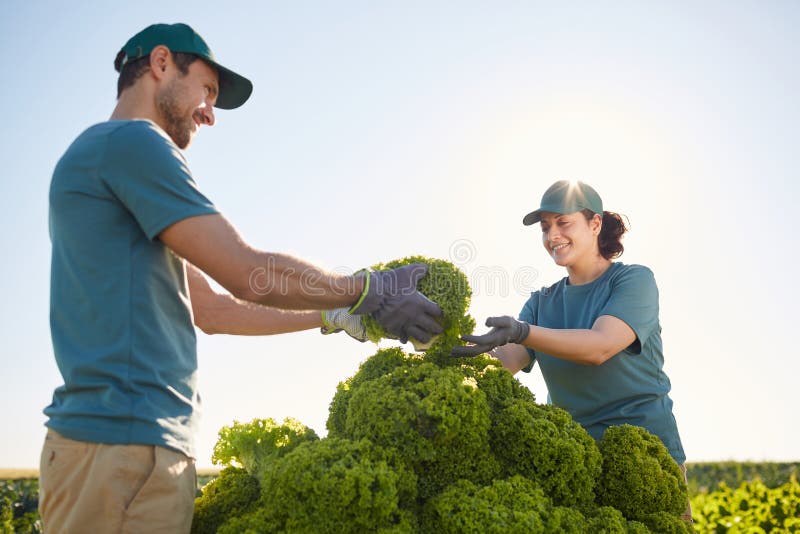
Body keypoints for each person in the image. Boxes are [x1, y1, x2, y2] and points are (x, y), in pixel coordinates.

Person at [41, 22, 442, 533]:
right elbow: (248, 273)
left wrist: (333, 312)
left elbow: (211, 311)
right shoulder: (133, 143)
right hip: (120, 445)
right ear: (161, 63)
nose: (209, 112)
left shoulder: (118, 164)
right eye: (206, 89)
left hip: (132, 446)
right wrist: (367, 291)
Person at [452, 180, 692, 522]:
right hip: (577, 464)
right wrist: (442, 339)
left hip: (648, 457)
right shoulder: (541, 302)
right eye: (546, 227)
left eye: (563, 223)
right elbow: (506, 360)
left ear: (595, 224)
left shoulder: (632, 282)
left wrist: (523, 331)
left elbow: (600, 346)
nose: (552, 236)